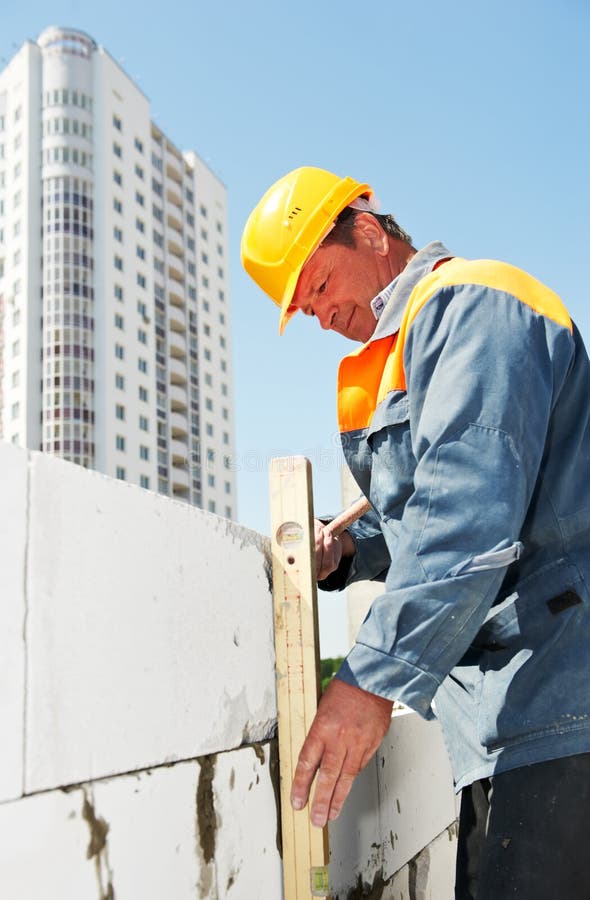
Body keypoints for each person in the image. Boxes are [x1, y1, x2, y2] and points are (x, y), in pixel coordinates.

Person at [241, 166, 590, 899]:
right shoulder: (393, 356)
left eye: (319, 285)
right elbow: (422, 523)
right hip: (494, 726)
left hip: (561, 695)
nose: (318, 313)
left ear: (368, 232)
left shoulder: (477, 307)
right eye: (302, 307)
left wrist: (369, 678)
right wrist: (343, 558)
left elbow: (469, 519)